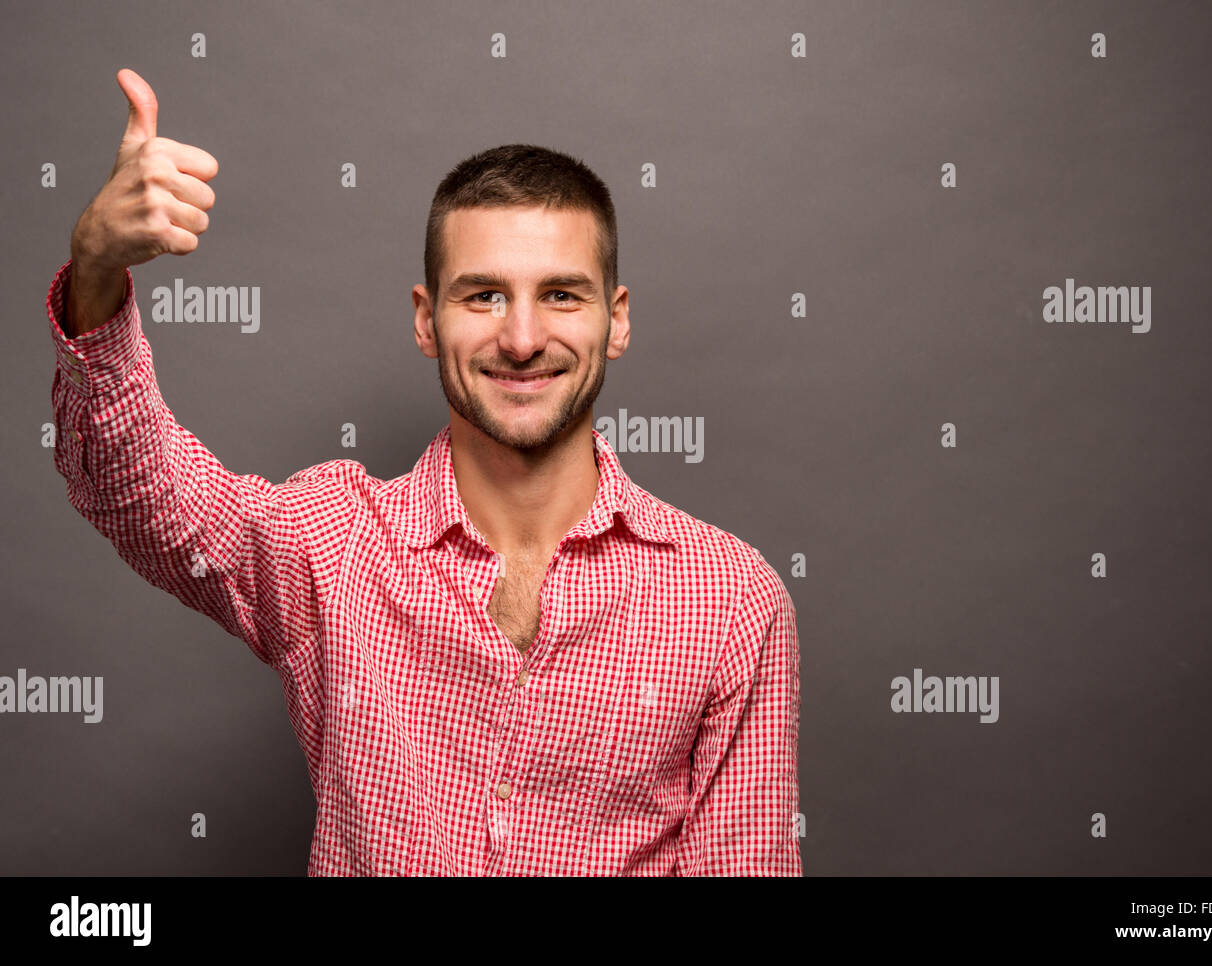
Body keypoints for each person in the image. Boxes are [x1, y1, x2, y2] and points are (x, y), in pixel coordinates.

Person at [48, 68, 801, 876]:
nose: (520, 338)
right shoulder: (333, 543)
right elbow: (139, 493)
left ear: (615, 321)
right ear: (424, 319)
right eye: (481, 296)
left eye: (561, 295)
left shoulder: (730, 602)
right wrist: (95, 271)